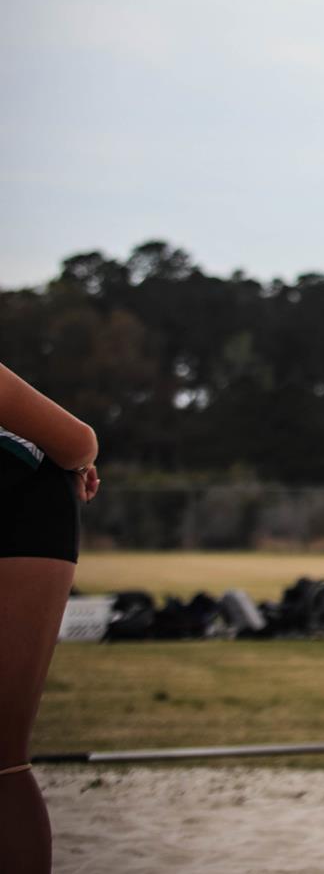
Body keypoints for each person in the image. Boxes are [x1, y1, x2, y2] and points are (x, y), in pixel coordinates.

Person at [1, 361, 101, 874]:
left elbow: (75, 441)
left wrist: (76, 455)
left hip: (24, 503)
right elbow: (77, 443)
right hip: (29, 498)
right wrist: (77, 458)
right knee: (3, 762)